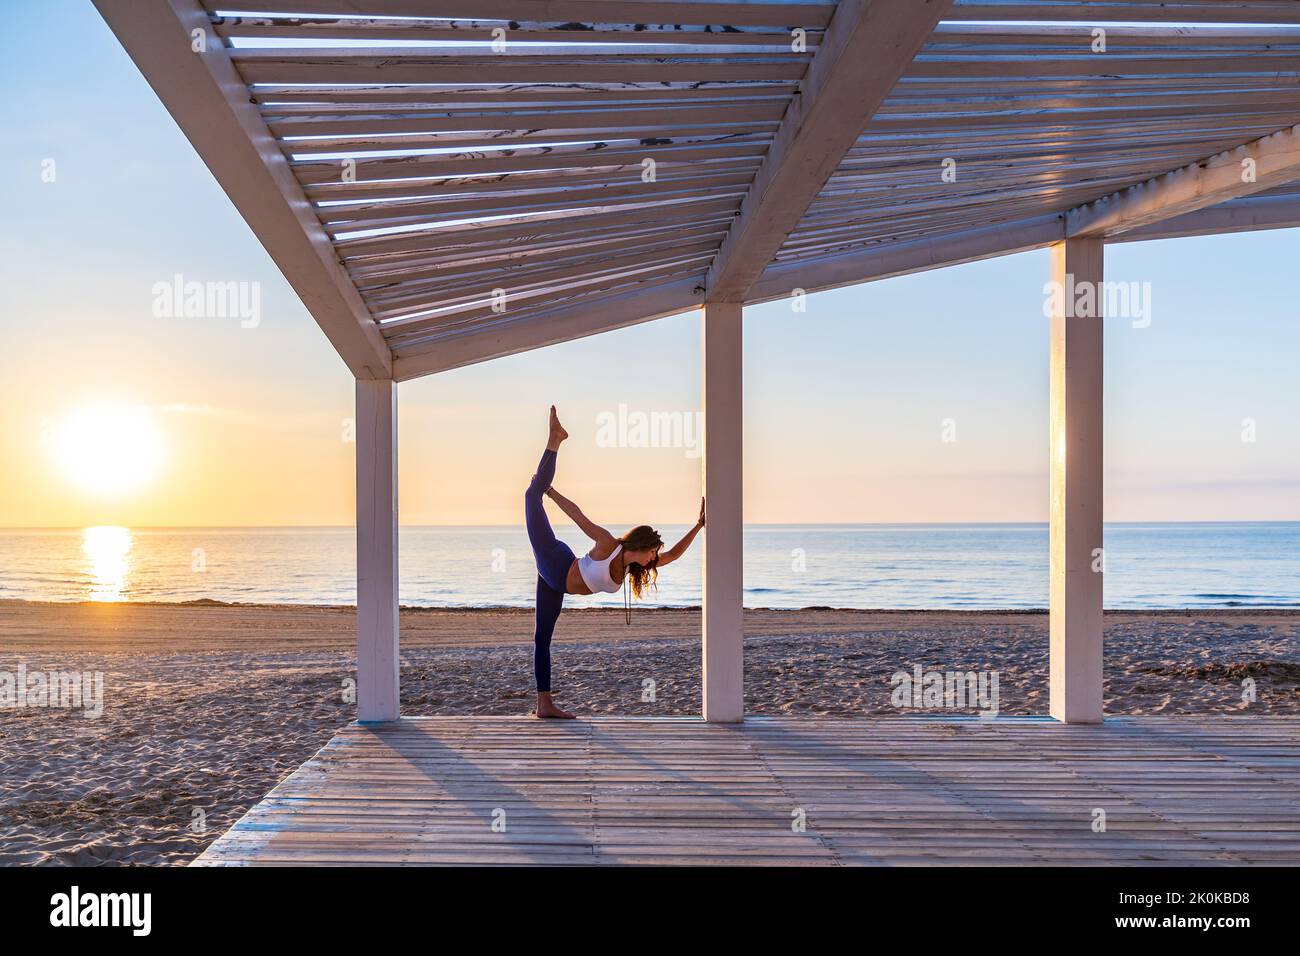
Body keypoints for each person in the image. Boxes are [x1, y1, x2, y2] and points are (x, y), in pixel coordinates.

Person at [524, 406, 706, 718]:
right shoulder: (608, 543)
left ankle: (544, 705)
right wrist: (551, 492)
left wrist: (699, 526)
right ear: (642, 545)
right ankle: (555, 440)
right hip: (555, 562)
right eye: (653, 552)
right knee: (532, 495)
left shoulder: (636, 566)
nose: (654, 558)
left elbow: (674, 555)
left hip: (558, 583)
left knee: (542, 639)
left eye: (654, 555)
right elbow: (580, 516)